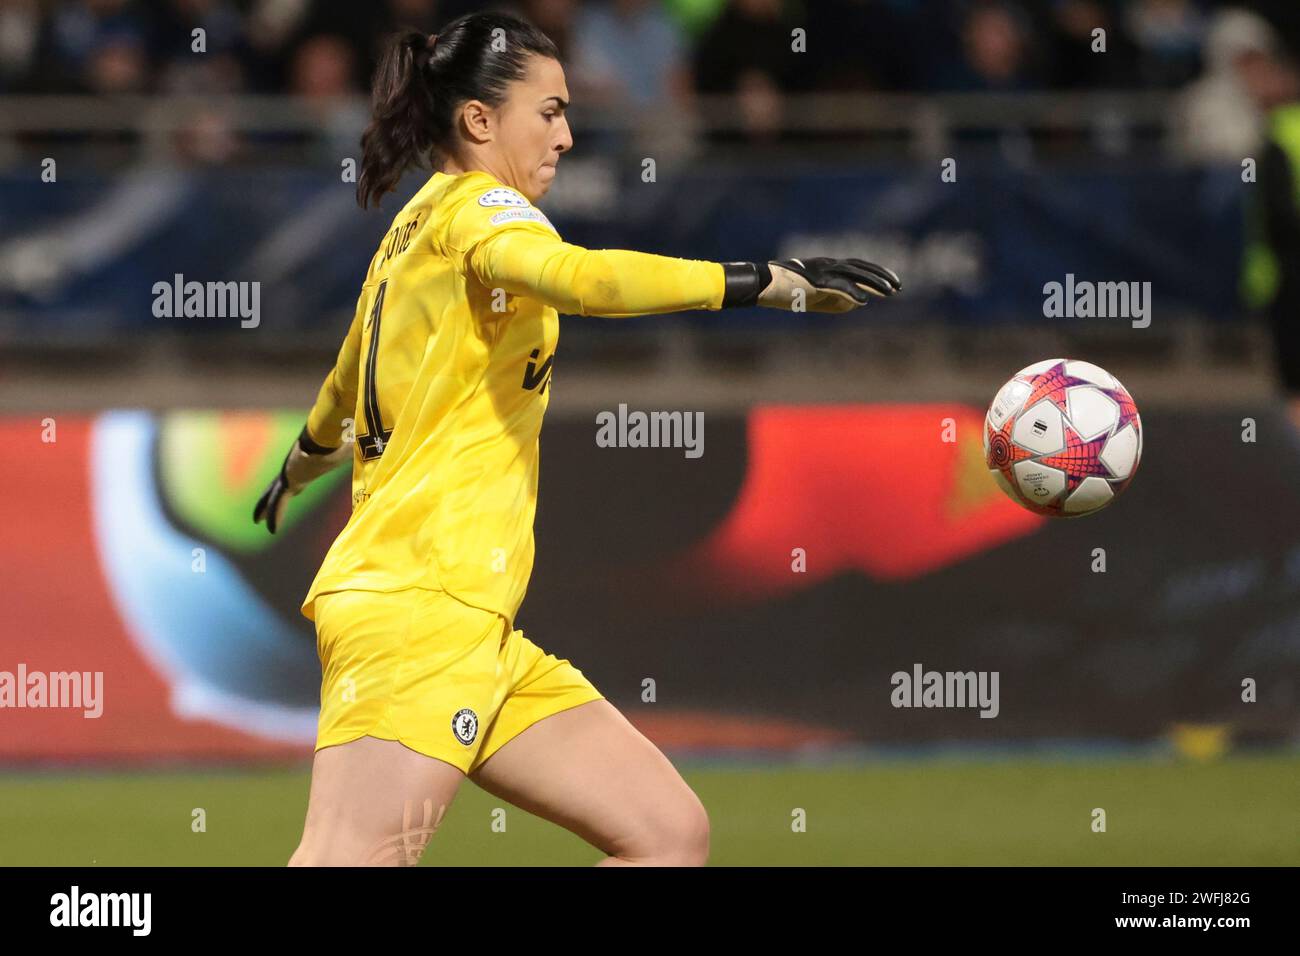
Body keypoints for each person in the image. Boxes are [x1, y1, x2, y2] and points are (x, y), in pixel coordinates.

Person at [252, 11, 900, 867]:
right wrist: (765, 282)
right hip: (419, 608)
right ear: (480, 122)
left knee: (666, 835)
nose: (566, 133)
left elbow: (342, 389)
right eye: (548, 112)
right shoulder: (484, 211)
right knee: (353, 857)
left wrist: (298, 467)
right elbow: (584, 278)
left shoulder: (413, 229)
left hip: (477, 627)